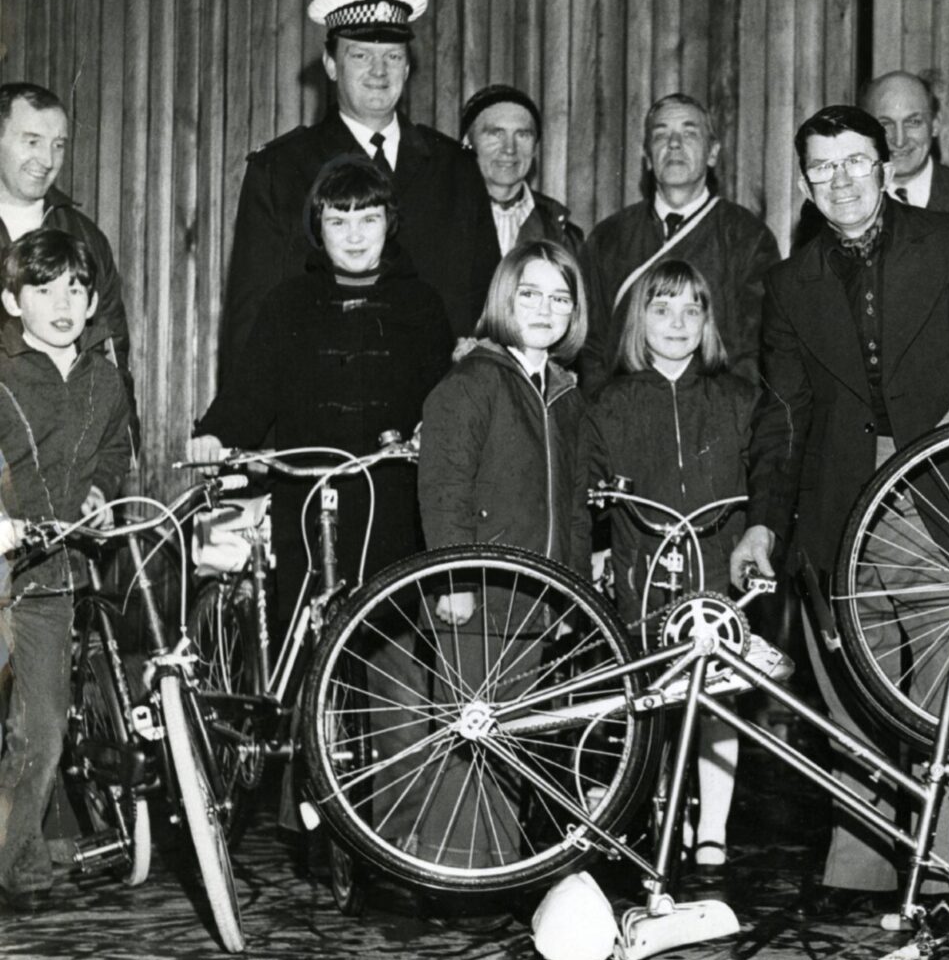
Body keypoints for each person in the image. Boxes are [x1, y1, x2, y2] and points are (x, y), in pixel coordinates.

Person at [728, 104, 949, 919]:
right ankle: (863, 864)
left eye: (856, 162)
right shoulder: (790, 285)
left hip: (936, 489)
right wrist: (765, 519)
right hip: (837, 502)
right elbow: (782, 412)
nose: (841, 181)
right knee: (855, 694)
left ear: (886, 165)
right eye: (823, 168)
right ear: (804, 182)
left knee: (941, 688)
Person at [189, 158, 450, 619]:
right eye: (338, 221)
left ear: (389, 224)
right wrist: (215, 435)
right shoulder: (288, 304)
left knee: (392, 646)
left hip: (392, 506)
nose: (354, 236)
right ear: (319, 227)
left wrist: (434, 430)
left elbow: (445, 398)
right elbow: (249, 391)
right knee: (308, 644)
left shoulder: (422, 304)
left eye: (368, 219)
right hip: (308, 504)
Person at [413, 238, 593, 865]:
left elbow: (574, 505)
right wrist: (453, 578)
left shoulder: (566, 395)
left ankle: (494, 866)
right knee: (469, 733)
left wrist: (573, 593)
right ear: (502, 299)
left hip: (538, 599)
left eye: (561, 298)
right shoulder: (472, 383)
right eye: (531, 294)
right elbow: (442, 488)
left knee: (511, 738)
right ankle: (453, 867)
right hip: (480, 593)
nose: (546, 308)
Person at [221, 0, 498, 364]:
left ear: (407, 68)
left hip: (441, 410)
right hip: (319, 412)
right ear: (331, 65)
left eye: (393, 56)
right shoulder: (280, 171)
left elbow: (491, 311)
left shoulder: (456, 170)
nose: (379, 71)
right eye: (361, 55)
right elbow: (249, 326)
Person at [582, 259, 754, 877]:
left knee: (718, 699)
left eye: (691, 310)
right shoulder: (610, 403)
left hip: (718, 569)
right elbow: (589, 487)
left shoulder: (737, 398)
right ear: (639, 321)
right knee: (652, 698)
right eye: (662, 309)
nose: (677, 323)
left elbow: (762, 479)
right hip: (644, 573)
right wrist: (601, 544)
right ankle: (661, 810)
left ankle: (713, 827)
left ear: (708, 321)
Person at [0, 229, 132, 910]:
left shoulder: (106, 380)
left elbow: (116, 454)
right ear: (12, 301)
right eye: (43, 290)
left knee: (43, 731)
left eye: (75, 290)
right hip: (1, 573)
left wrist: (103, 494)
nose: (61, 303)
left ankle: (12, 859)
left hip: (54, 583)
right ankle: (20, 860)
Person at [795, 71, 949, 346]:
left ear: (935, 125)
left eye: (913, 122)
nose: (899, 140)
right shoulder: (829, 206)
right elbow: (807, 321)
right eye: (885, 123)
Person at [581, 94, 779, 394]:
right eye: (661, 134)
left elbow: (758, 350)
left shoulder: (747, 237)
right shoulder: (609, 237)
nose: (674, 144)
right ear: (647, 155)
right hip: (625, 413)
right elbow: (591, 346)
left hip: (716, 414)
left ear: (713, 152)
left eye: (689, 133)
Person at [0, 83, 135, 438]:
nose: (47, 160)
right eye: (32, 141)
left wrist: (120, 441)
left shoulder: (85, 237)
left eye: (58, 145)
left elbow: (111, 347)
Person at [460, 85, 593, 264]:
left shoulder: (560, 232)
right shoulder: (436, 218)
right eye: (496, 133)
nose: (509, 149)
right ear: (468, 142)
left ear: (535, 147)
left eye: (522, 135)